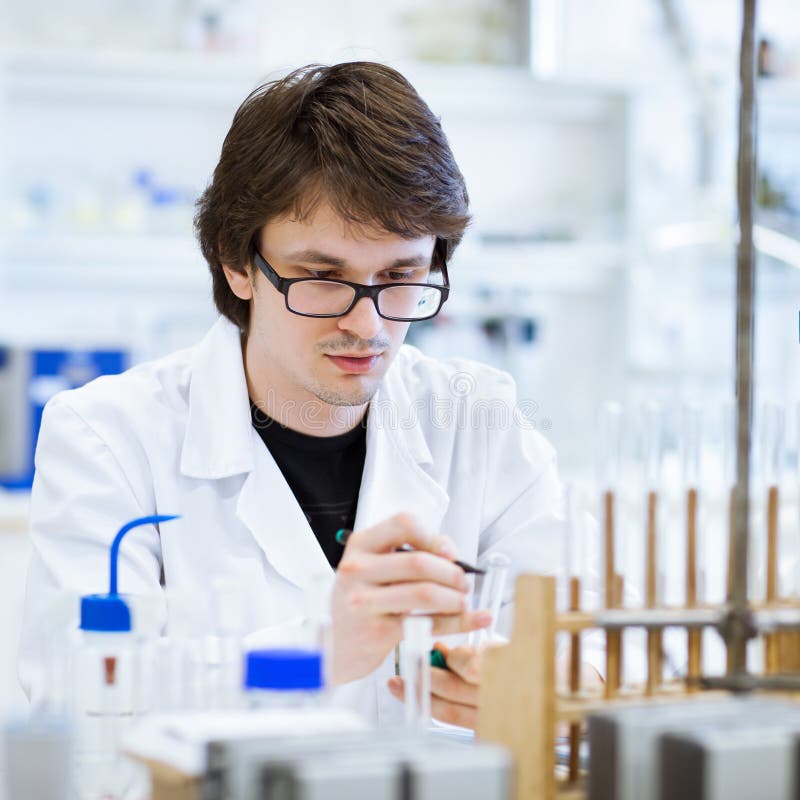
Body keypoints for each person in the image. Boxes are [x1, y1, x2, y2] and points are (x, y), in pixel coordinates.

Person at [18, 62, 566, 728]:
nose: (368, 325)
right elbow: (79, 712)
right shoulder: (108, 438)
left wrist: (544, 692)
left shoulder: (482, 422)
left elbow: (577, 651)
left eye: (400, 277)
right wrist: (321, 649)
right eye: (322, 278)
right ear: (237, 261)